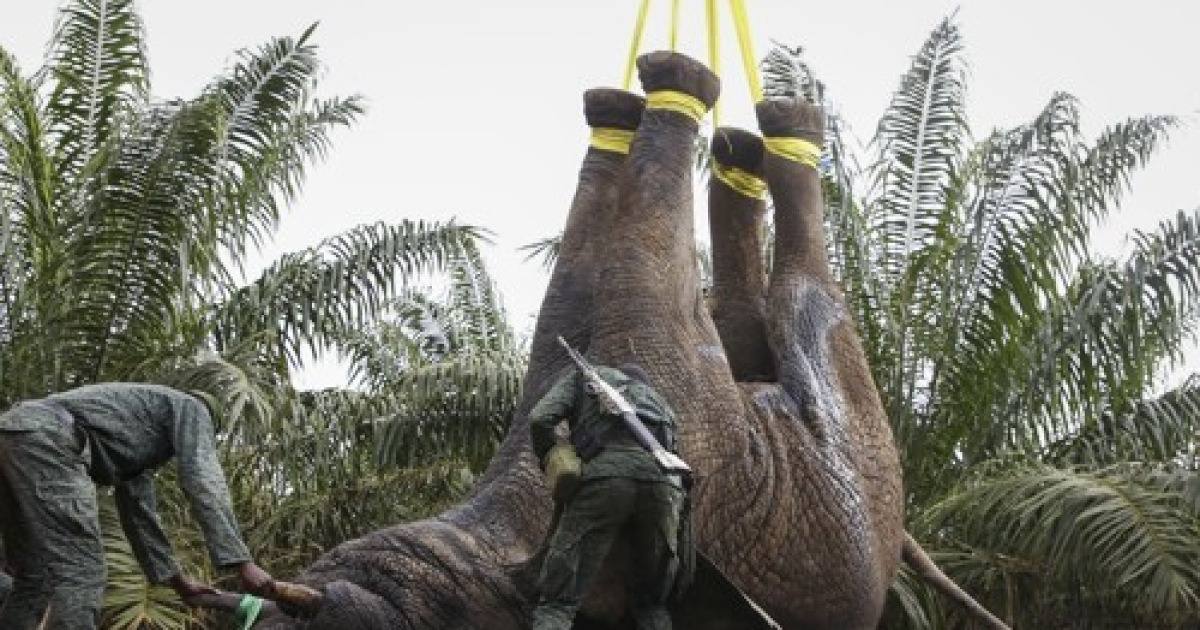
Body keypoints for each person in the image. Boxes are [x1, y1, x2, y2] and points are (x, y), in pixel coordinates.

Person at [0, 383, 273, 629]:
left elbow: (140, 518)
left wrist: (177, 582)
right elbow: (203, 480)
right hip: (49, 439)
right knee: (81, 571)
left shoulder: (138, 439)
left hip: (13, 432)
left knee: (32, 574)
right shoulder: (192, 409)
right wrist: (243, 563)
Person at [528, 361, 688, 630]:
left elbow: (540, 418)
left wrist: (552, 457)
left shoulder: (586, 378)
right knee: (652, 607)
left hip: (606, 479)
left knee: (557, 605)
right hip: (665, 485)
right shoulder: (663, 404)